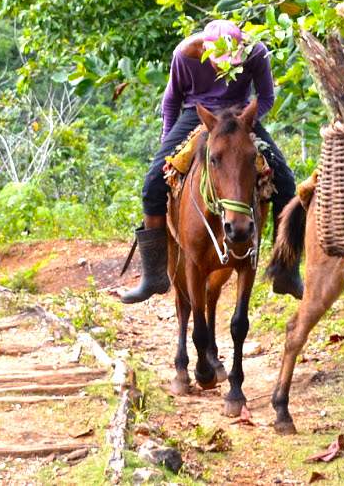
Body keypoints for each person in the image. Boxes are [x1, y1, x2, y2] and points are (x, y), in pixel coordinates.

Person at [117, 19, 302, 304]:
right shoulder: (184, 54)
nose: (225, 68)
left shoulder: (257, 52)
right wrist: (168, 142)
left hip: (239, 116)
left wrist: (245, 124)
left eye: (231, 63)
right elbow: (171, 100)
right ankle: (153, 275)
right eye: (219, 62)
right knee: (153, 182)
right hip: (196, 113)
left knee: (286, 182)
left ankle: (286, 270)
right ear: (205, 49)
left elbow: (266, 97)